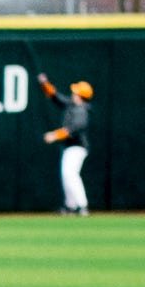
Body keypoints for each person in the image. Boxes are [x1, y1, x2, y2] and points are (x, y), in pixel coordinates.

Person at [37, 76, 95, 212]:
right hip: (69, 147)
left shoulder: (82, 110)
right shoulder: (72, 105)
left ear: (81, 96)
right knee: (66, 174)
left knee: (70, 173)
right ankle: (70, 205)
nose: (73, 94)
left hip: (78, 147)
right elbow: (55, 97)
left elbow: (73, 129)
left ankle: (82, 205)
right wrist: (45, 84)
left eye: (75, 93)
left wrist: (54, 135)